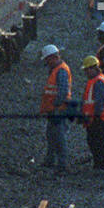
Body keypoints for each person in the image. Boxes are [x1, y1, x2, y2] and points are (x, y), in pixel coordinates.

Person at [39, 45, 71, 174]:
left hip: (59, 110)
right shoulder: (56, 69)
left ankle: (62, 164)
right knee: (51, 135)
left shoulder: (61, 71)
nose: (46, 63)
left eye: (47, 60)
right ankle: (50, 160)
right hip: (54, 109)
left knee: (58, 137)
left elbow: (62, 92)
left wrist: (56, 106)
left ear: (53, 57)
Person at [80, 55, 104, 173]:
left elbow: (99, 102)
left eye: (86, 70)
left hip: (99, 118)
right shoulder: (95, 80)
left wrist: (95, 117)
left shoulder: (99, 82)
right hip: (94, 118)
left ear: (93, 68)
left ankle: (101, 166)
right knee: (94, 141)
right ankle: (98, 165)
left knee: (98, 143)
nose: (85, 72)